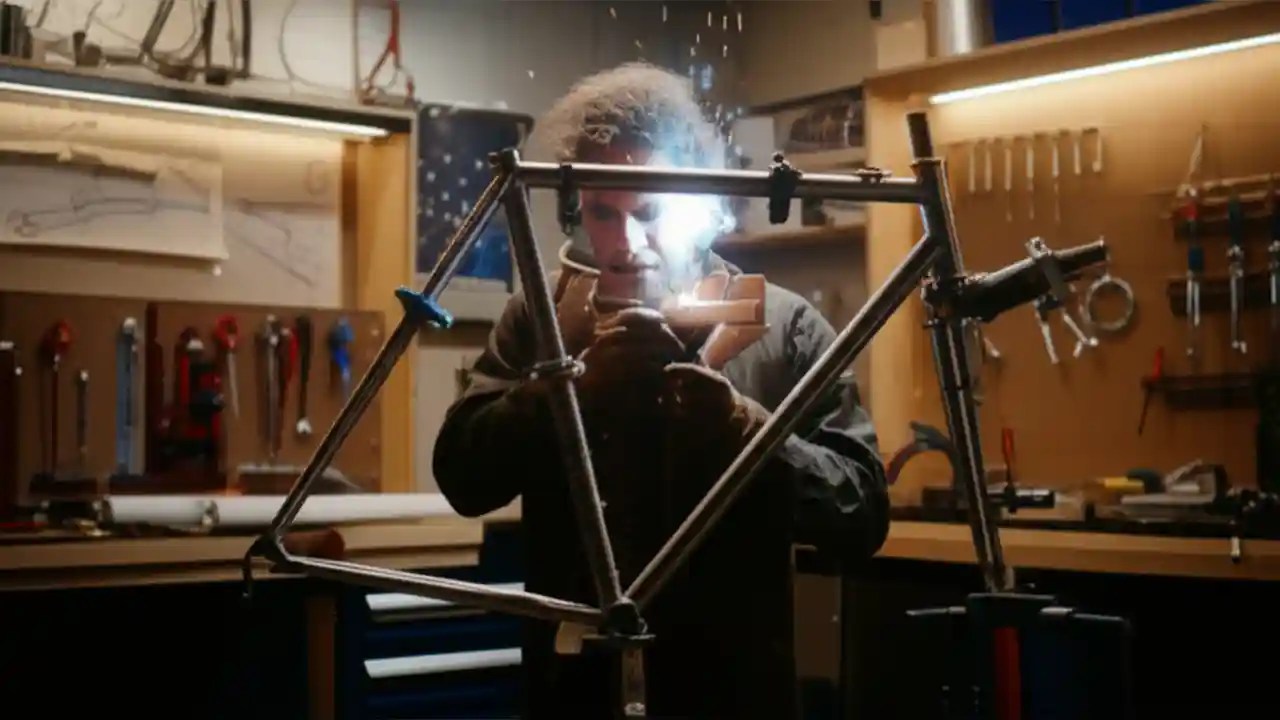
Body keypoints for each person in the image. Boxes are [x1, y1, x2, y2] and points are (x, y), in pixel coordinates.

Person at [432, 62, 889, 719]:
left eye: (649, 212)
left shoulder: (779, 326)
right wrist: (563, 394)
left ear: (701, 207)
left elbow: (863, 512)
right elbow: (462, 477)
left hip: (731, 692)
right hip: (574, 691)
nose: (626, 243)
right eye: (602, 212)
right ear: (576, 206)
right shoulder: (542, 317)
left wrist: (748, 434)